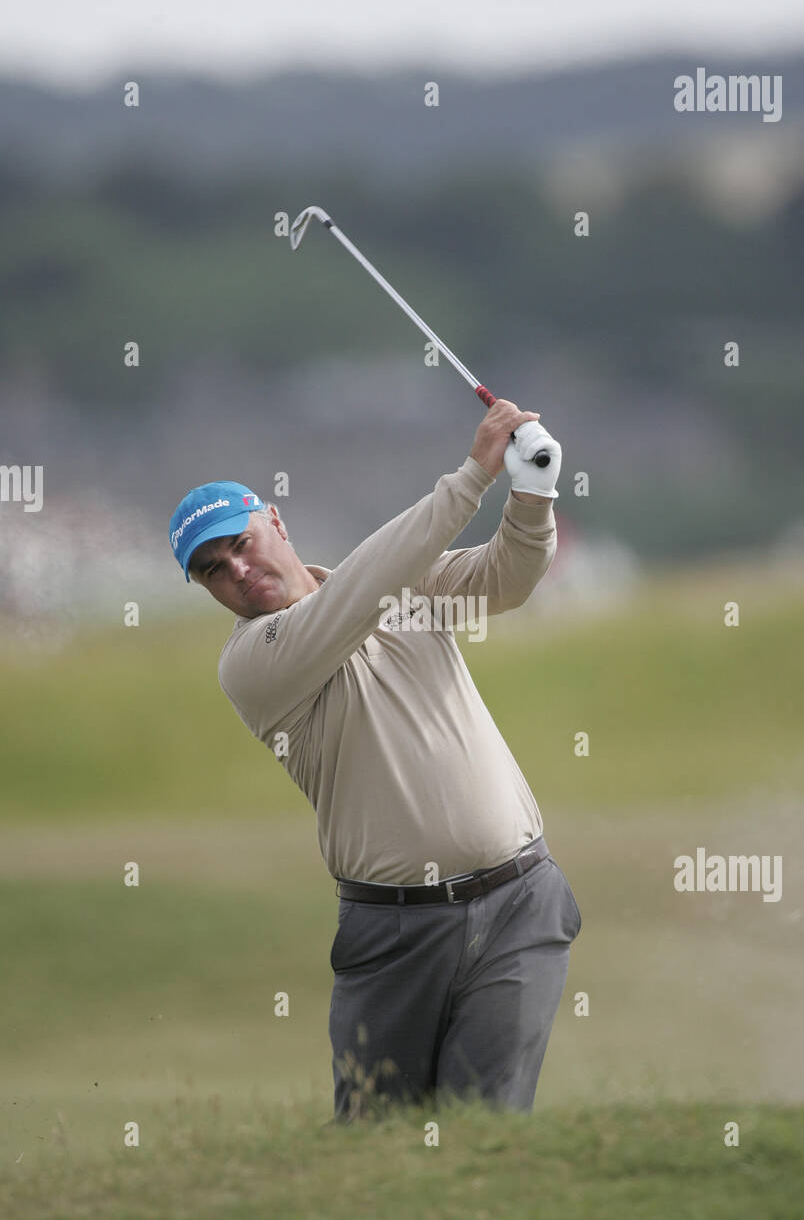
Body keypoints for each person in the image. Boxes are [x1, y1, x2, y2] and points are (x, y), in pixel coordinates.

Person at [169, 399, 581, 1121]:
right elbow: (364, 586)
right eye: (211, 569)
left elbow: (505, 580)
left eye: (239, 541)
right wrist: (470, 477)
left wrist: (531, 491)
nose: (235, 568)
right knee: (375, 1143)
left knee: (486, 1132)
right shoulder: (254, 665)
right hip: (395, 932)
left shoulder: (400, 586)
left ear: (276, 521)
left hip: (520, 899)